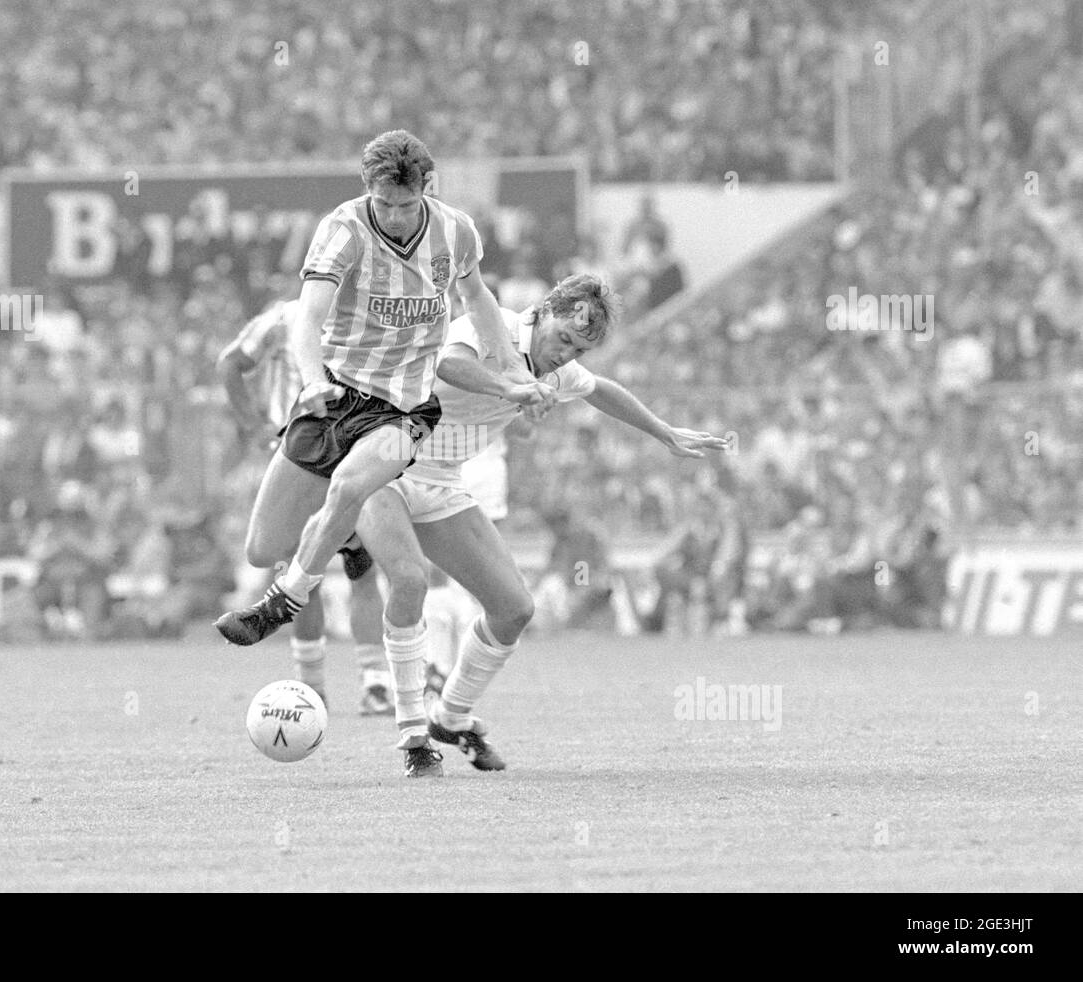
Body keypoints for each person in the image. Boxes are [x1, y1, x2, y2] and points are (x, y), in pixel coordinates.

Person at [216, 131, 553, 775]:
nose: (394, 215)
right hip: (331, 397)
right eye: (383, 202)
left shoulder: (455, 232)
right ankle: (326, 552)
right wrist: (313, 381)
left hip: (401, 407)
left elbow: (477, 298)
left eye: (404, 203)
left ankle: (285, 601)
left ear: (426, 186)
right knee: (263, 544)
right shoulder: (342, 231)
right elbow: (307, 319)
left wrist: (510, 369)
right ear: (368, 189)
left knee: (352, 486)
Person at [354, 273, 730, 776]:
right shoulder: (497, 327)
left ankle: (452, 715)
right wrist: (512, 384)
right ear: (540, 312)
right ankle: (413, 736)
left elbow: (601, 390)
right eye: (564, 339)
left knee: (514, 609)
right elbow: (449, 362)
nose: (565, 355)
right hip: (384, 461)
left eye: (578, 349)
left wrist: (663, 433)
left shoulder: (557, 370)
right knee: (408, 580)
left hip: (441, 483)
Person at [218, 299, 391, 713]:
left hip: (351, 451)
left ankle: (375, 683)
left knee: (362, 567)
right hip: (295, 456)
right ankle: (312, 684)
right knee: (299, 567)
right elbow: (230, 363)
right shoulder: (282, 317)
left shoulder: (367, 314)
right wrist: (254, 425)